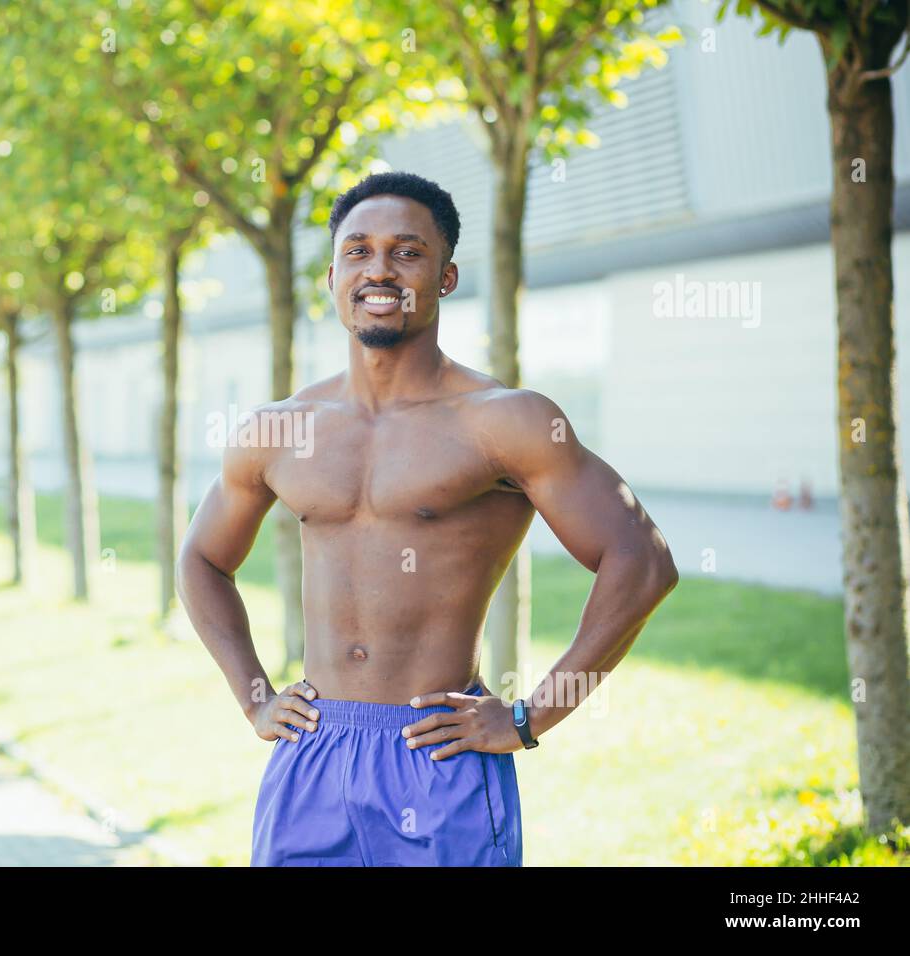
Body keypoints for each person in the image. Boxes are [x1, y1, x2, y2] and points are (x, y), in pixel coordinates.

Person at [176, 171, 679, 866]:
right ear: (331, 277)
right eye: (359, 251)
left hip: (436, 750)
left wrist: (531, 716)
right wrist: (256, 696)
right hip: (312, 751)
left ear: (444, 278)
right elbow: (201, 560)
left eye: (406, 252)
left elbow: (643, 561)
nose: (379, 269)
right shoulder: (280, 429)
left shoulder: (507, 421)